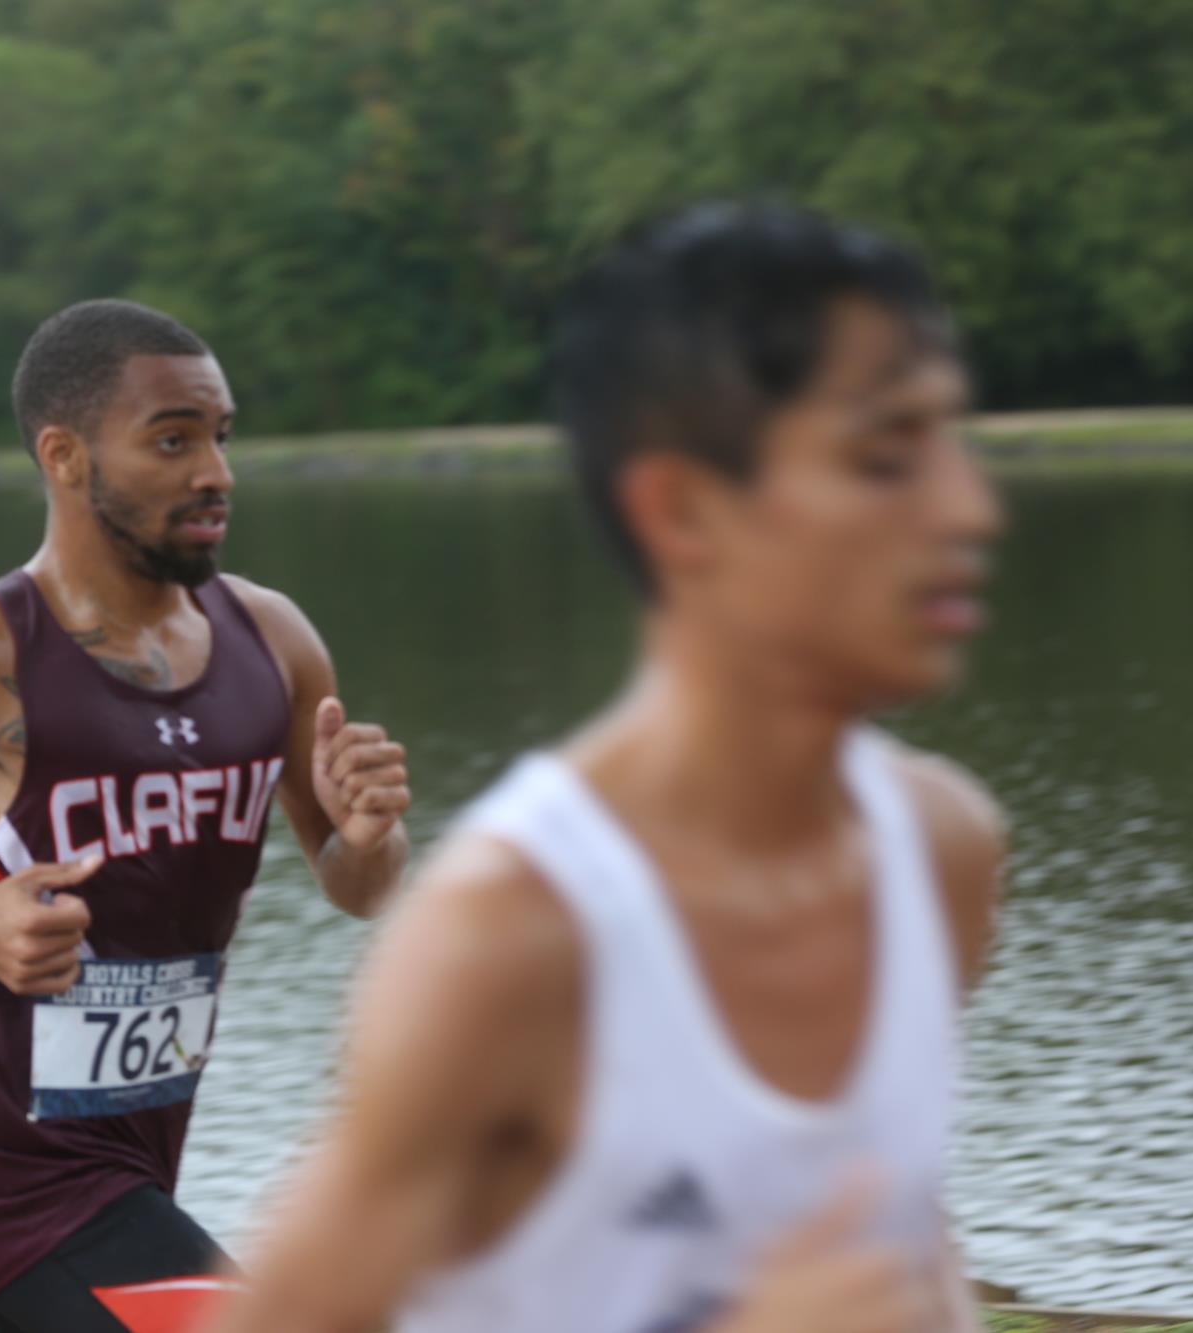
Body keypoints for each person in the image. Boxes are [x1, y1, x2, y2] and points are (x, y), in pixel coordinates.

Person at [209, 205, 1008, 1333]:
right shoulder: (511, 934)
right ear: (681, 509)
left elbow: (898, 1248)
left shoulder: (941, 853)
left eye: (951, 442)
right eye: (885, 457)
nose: (968, 508)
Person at [0, 299, 411, 1333]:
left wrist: (369, 837)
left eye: (220, 437)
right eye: (171, 439)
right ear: (63, 454)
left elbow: (357, 888)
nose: (214, 473)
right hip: (9, 1168)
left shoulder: (271, 643)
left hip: (139, 1148)